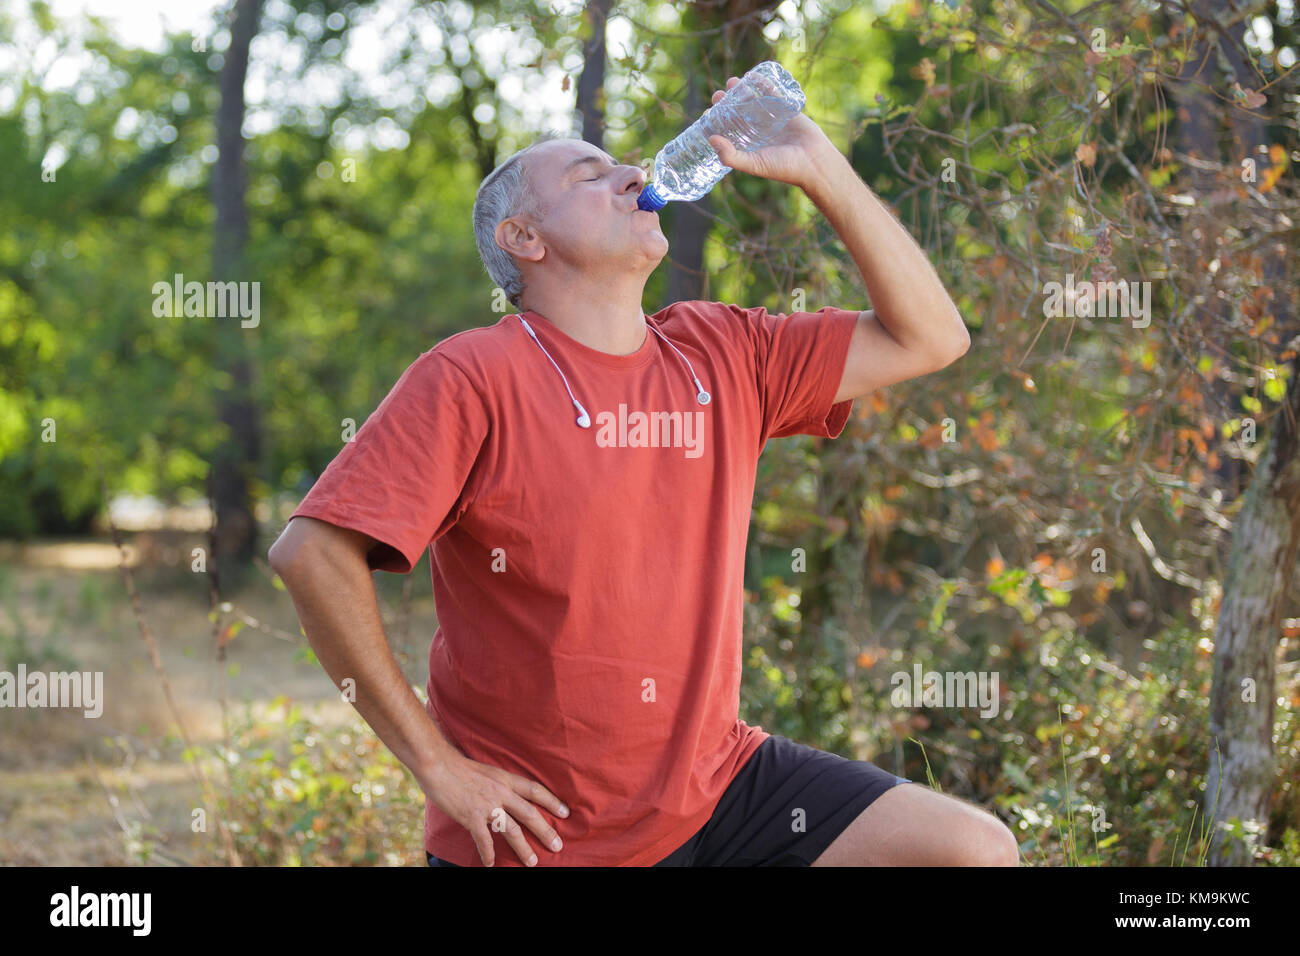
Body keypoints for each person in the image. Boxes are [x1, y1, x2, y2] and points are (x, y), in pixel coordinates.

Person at [269, 76, 1011, 867]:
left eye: (623, 163)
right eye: (588, 175)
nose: (630, 173)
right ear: (524, 239)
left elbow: (931, 337)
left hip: (718, 790)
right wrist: (440, 769)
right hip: (545, 836)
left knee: (971, 850)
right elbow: (311, 554)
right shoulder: (472, 374)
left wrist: (819, 164)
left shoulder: (722, 351)